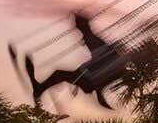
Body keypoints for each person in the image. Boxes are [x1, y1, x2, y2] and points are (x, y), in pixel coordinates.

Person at [10, 12, 148, 108]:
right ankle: (38, 88)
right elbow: (107, 79)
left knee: (60, 74)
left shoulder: (114, 59)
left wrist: (99, 94)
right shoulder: (112, 56)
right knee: (59, 74)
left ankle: (38, 89)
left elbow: (107, 80)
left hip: (87, 79)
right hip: (87, 77)